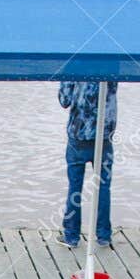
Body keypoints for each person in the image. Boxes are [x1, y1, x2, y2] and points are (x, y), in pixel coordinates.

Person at [58, 79, 117, 249]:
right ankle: (104, 235)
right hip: (104, 134)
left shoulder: (75, 63)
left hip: (78, 133)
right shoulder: (113, 62)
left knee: (75, 187)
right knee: (103, 187)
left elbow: (64, 100)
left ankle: (71, 236)